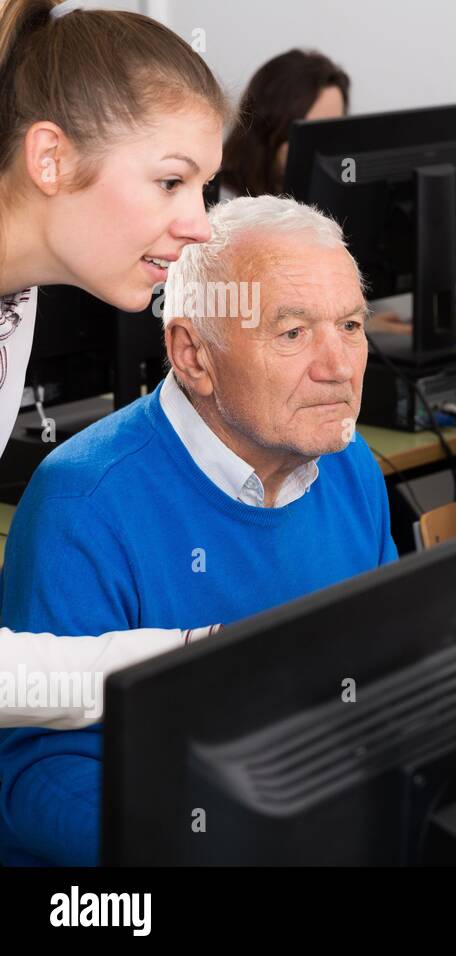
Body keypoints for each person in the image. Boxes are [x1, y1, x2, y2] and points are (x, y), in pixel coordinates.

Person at [0, 195, 399, 866]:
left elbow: (390, 657)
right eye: (293, 333)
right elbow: (38, 780)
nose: (339, 366)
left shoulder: (347, 459)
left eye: (352, 325)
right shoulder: (85, 501)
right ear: (192, 354)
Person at [0, 0, 229, 728]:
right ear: (51, 158)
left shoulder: (19, 295)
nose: (200, 226)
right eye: (170, 182)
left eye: (204, 188)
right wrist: (193, 661)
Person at [219, 48, 350, 200]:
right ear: (269, 129)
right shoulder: (222, 203)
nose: (328, 148)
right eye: (312, 135)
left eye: (336, 132)